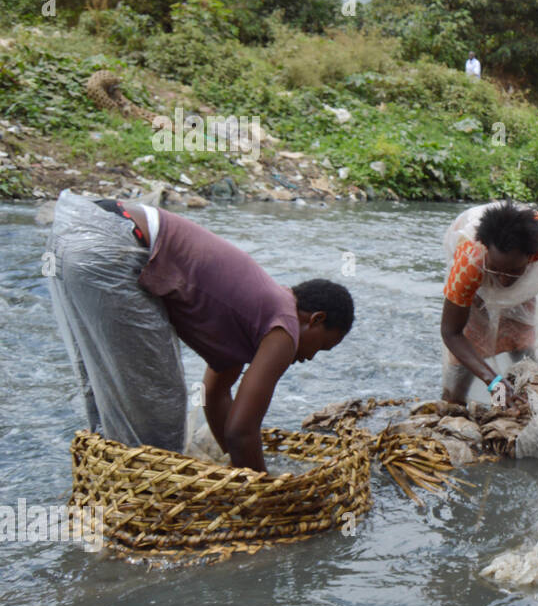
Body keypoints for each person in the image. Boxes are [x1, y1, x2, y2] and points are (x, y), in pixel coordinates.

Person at [46, 190, 354, 473]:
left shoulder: (254, 316)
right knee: (161, 403)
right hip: (116, 244)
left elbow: (215, 395)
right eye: (322, 347)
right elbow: (241, 431)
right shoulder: (284, 328)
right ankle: (148, 502)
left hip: (79, 230)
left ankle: (112, 485)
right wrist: (264, 489)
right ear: (315, 319)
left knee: (105, 389)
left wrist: (234, 464)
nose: (311, 357)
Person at [440, 199, 538, 406]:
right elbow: (451, 332)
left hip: (511, 265)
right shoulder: (470, 259)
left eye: (514, 271)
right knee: (471, 344)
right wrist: (493, 381)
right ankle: (457, 403)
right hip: (478, 270)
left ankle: (518, 402)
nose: (504, 281)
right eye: (497, 271)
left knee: (519, 343)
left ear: (532, 256)